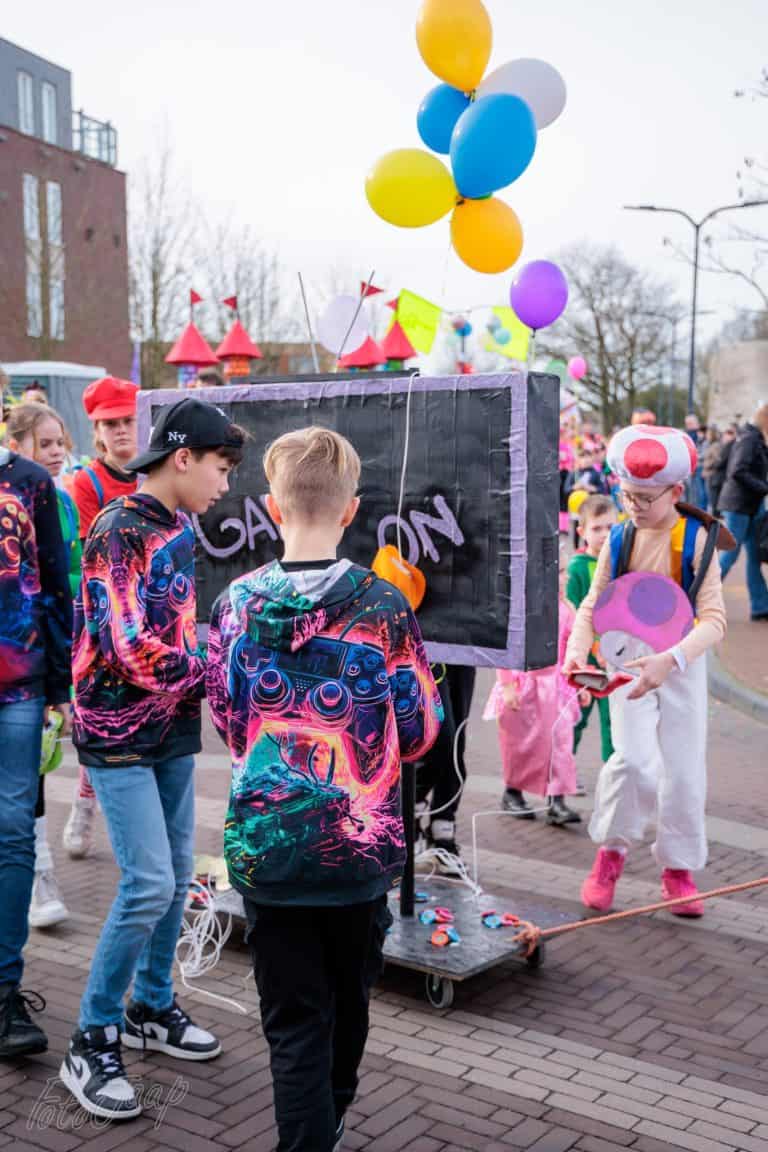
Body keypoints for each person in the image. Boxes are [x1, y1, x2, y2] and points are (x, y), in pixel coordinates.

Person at [207, 426, 442, 1152]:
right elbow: (423, 729)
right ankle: (324, 1124)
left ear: (274, 507)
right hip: (357, 854)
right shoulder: (384, 607)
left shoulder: (234, 604)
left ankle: (312, 1131)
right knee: (348, 1001)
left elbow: (227, 718)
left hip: (268, 853)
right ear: (351, 510)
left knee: (292, 1020)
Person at [59, 398, 245, 1120]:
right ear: (183, 458)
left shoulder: (178, 527)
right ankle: (91, 1036)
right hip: (117, 733)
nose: (226, 486)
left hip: (170, 730)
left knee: (173, 883)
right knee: (146, 884)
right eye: (221, 469)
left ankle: (151, 1008)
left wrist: (209, 657)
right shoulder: (117, 529)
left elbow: (181, 627)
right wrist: (220, 673)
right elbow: (128, 646)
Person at [564, 424, 728, 916]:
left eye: (645, 498)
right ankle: (610, 855)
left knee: (683, 769)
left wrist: (672, 659)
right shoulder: (618, 539)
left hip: (680, 656)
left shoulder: (698, 539)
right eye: (627, 495)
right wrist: (577, 650)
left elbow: (716, 621)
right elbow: (592, 605)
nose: (633, 505)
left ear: (677, 491)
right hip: (629, 657)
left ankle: (678, 869)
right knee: (632, 761)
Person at [0, 386, 73, 1058]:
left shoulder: (28, 483)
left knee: (13, 833)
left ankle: (3, 996)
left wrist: (57, 685)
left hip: (16, 689)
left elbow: (55, 584)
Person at [6, 404, 83, 930]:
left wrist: (59, 679)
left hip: (21, 674)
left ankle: (38, 872)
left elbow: (58, 582)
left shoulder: (38, 489)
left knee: (23, 794)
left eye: (62, 442)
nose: (56, 452)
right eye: (45, 441)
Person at [64, 376, 139, 860]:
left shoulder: (159, 471)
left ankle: (100, 803)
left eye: (129, 420)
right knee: (99, 714)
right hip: (103, 615)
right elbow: (88, 556)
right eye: (111, 424)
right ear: (97, 430)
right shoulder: (86, 482)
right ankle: (85, 801)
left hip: (153, 612)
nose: (121, 431)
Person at [487, 554, 586, 826]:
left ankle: (558, 799)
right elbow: (504, 648)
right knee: (521, 743)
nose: (564, 577)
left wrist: (582, 680)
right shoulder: (521, 608)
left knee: (561, 742)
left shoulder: (567, 610)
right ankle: (513, 792)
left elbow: (573, 651)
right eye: (558, 571)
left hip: (557, 687)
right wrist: (507, 685)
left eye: (564, 571)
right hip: (524, 686)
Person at [567, 495, 617, 767]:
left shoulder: (620, 564)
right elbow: (574, 615)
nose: (604, 535)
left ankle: (614, 773)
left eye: (610, 527)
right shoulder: (577, 569)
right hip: (587, 660)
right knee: (577, 715)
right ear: (582, 532)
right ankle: (561, 776)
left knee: (614, 720)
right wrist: (590, 650)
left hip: (614, 657)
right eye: (596, 528)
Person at [413, 663, 475, 873]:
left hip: (466, 647)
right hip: (428, 645)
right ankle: (410, 809)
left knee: (457, 741)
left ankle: (443, 832)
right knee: (441, 738)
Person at [718, 405, 768, 621]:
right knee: (730, 553)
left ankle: (761, 606)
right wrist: (764, 487)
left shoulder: (752, 437)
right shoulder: (750, 439)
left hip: (748, 506)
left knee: (753, 556)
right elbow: (737, 471)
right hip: (739, 506)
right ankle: (697, 597)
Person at [708, 424, 737, 518]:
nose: (725, 435)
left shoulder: (730, 445)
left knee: (716, 501)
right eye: (725, 433)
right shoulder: (728, 445)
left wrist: (714, 464)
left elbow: (720, 462)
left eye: (729, 433)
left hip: (720, 477)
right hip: (720, 477)